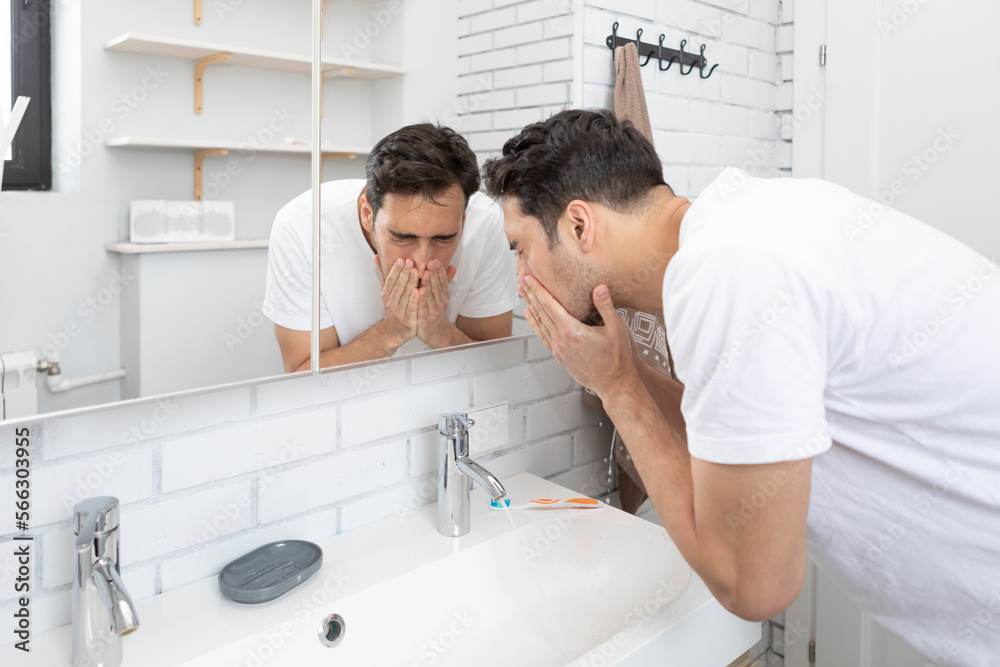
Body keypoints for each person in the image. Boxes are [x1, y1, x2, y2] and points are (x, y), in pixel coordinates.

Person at [481, 109, 1000, 664]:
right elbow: (732, 438)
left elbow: (756, 587)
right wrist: (626, 372)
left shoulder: (728, 272)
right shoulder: (745, 228)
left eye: (519, 247)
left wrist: (617, 388)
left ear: (579, 226)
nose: (521, 281)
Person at [263, 123, 518, 372]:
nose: (420, 261)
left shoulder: (487, 225)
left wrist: (439, 332)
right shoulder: (302, 228)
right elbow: (301, 378)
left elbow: (497, 368)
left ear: (463, 221)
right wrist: (390, 332)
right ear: (367, 214)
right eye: (402, 237)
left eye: (443, 239)